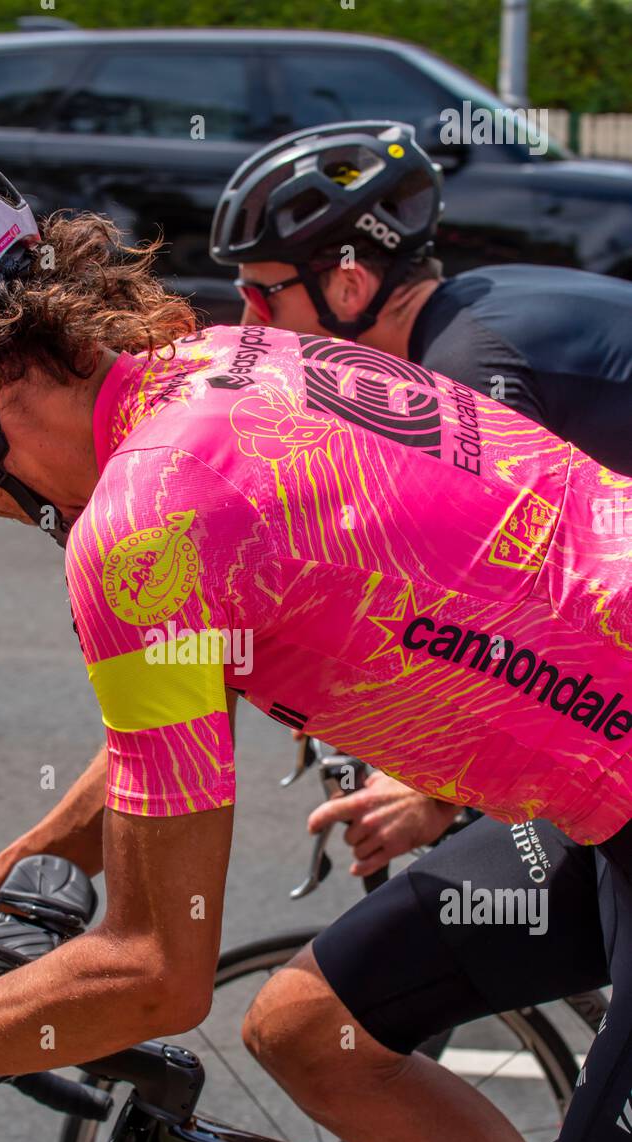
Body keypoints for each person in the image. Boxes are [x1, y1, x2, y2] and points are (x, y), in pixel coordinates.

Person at [0, 141, 630, 1142]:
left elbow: (156, 975)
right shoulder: (219, 365)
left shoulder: (140, 531)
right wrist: (11, 879)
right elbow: (176, 709)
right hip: (601, 793)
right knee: (312, 1023)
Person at [211, 118, 632, 877]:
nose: (246, 323)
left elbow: (515, 606)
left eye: (262, 294)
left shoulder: (466, 371)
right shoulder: (472, 306)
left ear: (347, 285)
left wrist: (426, 790)